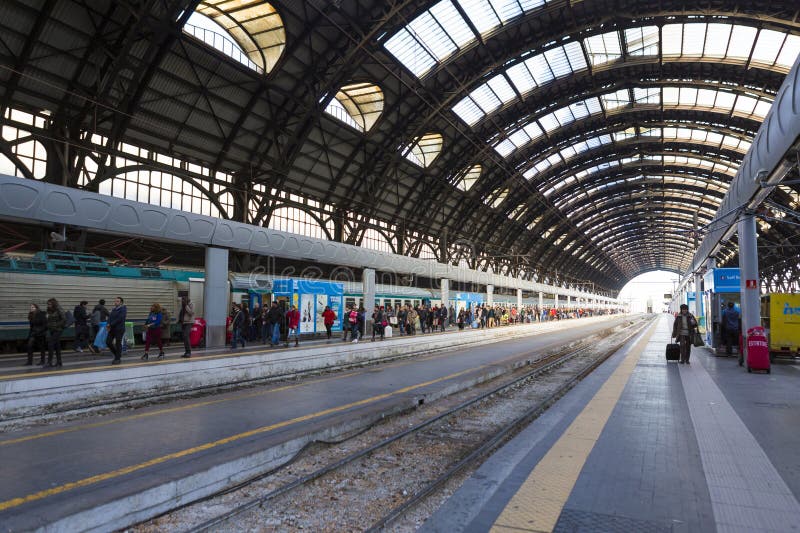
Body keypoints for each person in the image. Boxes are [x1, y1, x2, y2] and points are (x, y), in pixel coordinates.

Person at [45, 298, 66, 367]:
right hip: (52, 329)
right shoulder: (49, 310)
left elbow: (64, 319)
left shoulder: (59, 309)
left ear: (54, 304)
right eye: (48, 304)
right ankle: (59, 362)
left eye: (50, 304)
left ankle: (49, 362)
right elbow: (49, 319)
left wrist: (56, 325)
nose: (48, 305)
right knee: (57, 346)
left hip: (58, 330)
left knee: (50, 344)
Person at [107, 297, 127, 364]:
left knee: (118, 343)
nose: (115, 302)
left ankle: (117, 359)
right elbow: (109, 317)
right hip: (112, 329)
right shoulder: (113, 309)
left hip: (119, 329)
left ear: (121, 302)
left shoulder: (123, 309)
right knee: (108, 342)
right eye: (115, 301)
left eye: (117, 301)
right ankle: (117, 354)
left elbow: (120, 318)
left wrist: (111, 324)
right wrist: (108, 323)